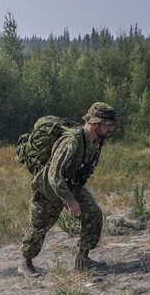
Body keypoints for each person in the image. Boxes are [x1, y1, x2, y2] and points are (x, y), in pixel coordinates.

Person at [19, 102, 118, 278]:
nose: (111, 129)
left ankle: (82, 260)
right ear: (95, 123)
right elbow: (53, 175)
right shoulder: (71, 141)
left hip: (72, 185)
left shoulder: (96, 141)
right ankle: (25, 263)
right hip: (50, 189)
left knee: (93, 213)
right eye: (108, 125)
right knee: (39, 227)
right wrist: (70, 202)